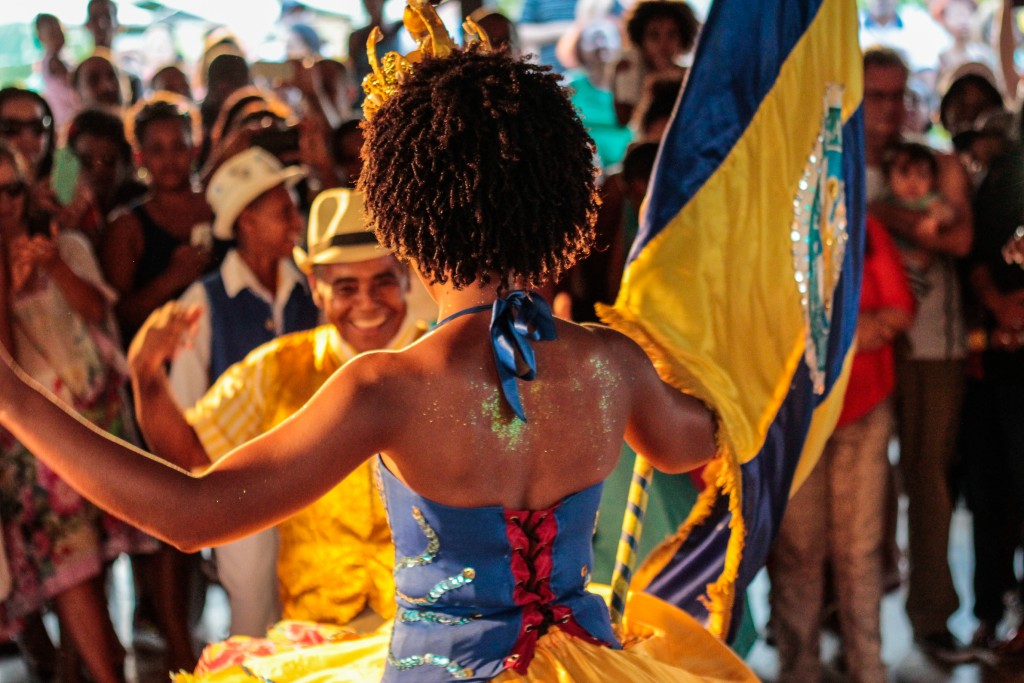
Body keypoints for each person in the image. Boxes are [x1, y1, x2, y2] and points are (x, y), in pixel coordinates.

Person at [0, 27, 755, 683]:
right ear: (560, 201)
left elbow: (191, 514)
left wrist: (14, 396)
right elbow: (704, 438)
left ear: (403, 220)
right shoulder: (612, 366)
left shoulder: (390, 388)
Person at [130, 187, 424, 636]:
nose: (367, 302)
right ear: (316, 289)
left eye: (382, 281)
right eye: (346, 286)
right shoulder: (275, 369)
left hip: (429, 628)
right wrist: (146, 375)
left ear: (406, 278)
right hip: (317, 630)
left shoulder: (440, 361)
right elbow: (190, 453)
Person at [0, 142, 157, 683]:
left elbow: (97, 309)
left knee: (97, 557)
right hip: (32, 444)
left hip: (95, 419)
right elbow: (6, 366)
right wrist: (10, 284)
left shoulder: (62, 243)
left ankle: (86, 664)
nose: (4, 203)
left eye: (13, 188)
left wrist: (55, 265)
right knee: (70, 566)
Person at [167, 146, 319, 637]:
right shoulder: (204, 302)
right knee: (253, 608)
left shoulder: (310, 291)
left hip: (312, 477)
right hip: (241, 491)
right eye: (283, 210)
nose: (296, 220)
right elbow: (186, 407)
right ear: (247, 221)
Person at [863, 46, 975, 664]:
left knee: (927, 480)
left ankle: (932, 616)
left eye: (896, 94)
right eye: (874, 95)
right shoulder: (838, 163)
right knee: (857, 480)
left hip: (933, 344)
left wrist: (880, 214)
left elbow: (958, 237)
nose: (887, 108)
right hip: (864, 345)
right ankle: (844, 611)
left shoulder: (937, 162)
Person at [768, 216, 915, 683]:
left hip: (863, 411)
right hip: (795, 419)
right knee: (798, 552)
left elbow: (897, 312)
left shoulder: (865, 225)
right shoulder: (770, 225)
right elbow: (761, 328)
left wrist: (819, 338)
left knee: (857, 551)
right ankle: (799, 670)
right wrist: (853, 333)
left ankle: (868, 668)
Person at [102, 95, 213, 343]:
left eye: (178, 146)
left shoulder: (220, 206)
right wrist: (171, 279)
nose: (169, 159)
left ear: (194, 149)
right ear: (139, 157)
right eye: (157, 149)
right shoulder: (126, 227)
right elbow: (118, 316)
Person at [612, 0, 699, 126]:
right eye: (654, 35)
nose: (663, 44)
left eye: (672, 34)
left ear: (683, 37)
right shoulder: (630, 75)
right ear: (641, 40)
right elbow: (624, 121)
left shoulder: (691, 77)